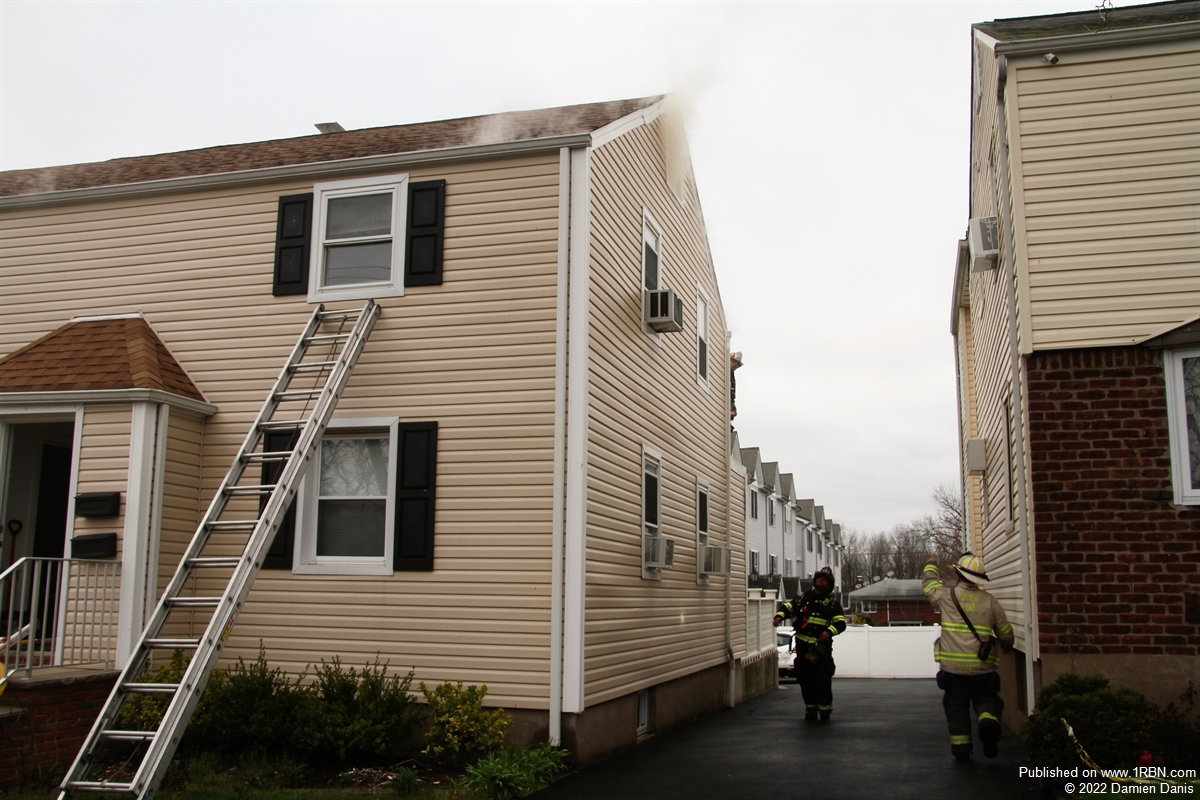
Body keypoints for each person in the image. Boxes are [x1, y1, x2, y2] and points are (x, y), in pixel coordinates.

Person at [923, 552, 1014, 761]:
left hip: (953, 669)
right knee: (986, 699)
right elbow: (1005, 633)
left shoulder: (947, 597)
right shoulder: (990, 601)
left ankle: (961, 749)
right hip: (982, 668)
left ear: (958, 576)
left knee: (956, 708)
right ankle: (987, 721)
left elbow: (929, 587)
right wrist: (1007, 646)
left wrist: (931, 565)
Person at [773, 566, 845, 721]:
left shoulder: (832, 604)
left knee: (822, 680)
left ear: (829, 585)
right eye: (819, 578)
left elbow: (840, 623)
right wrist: (779, 616)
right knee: (805, 680)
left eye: (825, 579)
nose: (821, 580)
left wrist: (828, 632)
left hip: (821, 650)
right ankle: (810, 708)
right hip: (803, 648)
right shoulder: (804, 598)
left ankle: (825, 711)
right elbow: (788, 607)